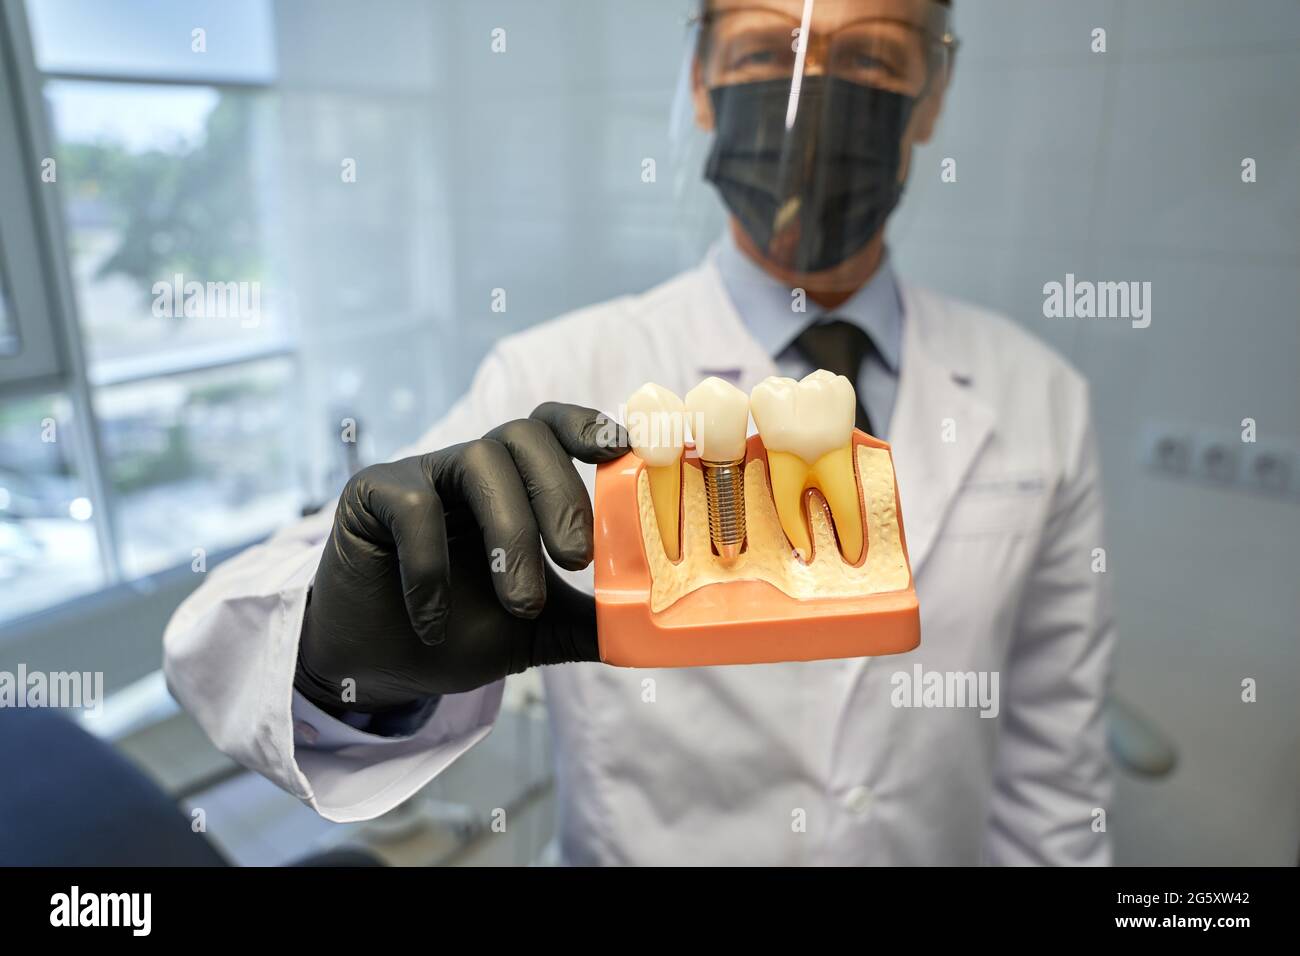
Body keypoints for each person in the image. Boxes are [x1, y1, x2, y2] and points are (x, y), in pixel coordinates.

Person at [164, 0, 1115, 865]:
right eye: (763, 49)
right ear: (701, 84)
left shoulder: (1041, 396)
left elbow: (1053, 772)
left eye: (870, 56)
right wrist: (345, 661)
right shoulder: (555, 372)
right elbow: (226, 629)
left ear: (932, 96)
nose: (809, 96)